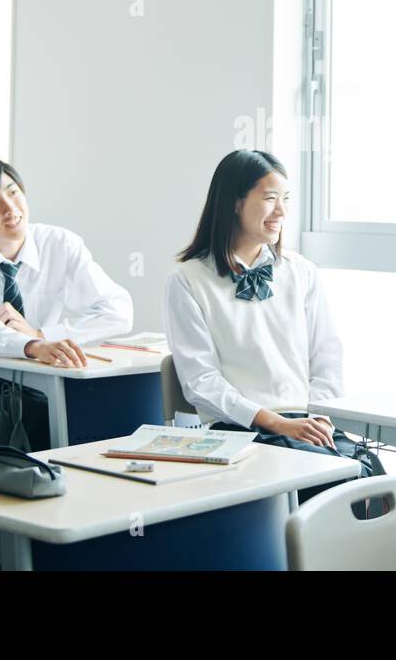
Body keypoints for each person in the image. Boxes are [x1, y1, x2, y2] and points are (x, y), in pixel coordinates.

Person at [163, 150, 380, 502]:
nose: (281, 211)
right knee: (334, 485)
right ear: (235, 203)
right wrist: (274, 421)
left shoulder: (301, 271)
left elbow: (327, 357)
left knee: (370, 472)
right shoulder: (188, 281)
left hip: (307, 424)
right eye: (269, 199)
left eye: (286, 200)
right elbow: (201, 382)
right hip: (240, 430)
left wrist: (320, 418)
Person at [0, 154, 133, 451]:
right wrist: (33, 347)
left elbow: (119, 311)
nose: (11, 208)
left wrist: (43, 335)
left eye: (13, 192)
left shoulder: (59, 243)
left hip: (48, 384)